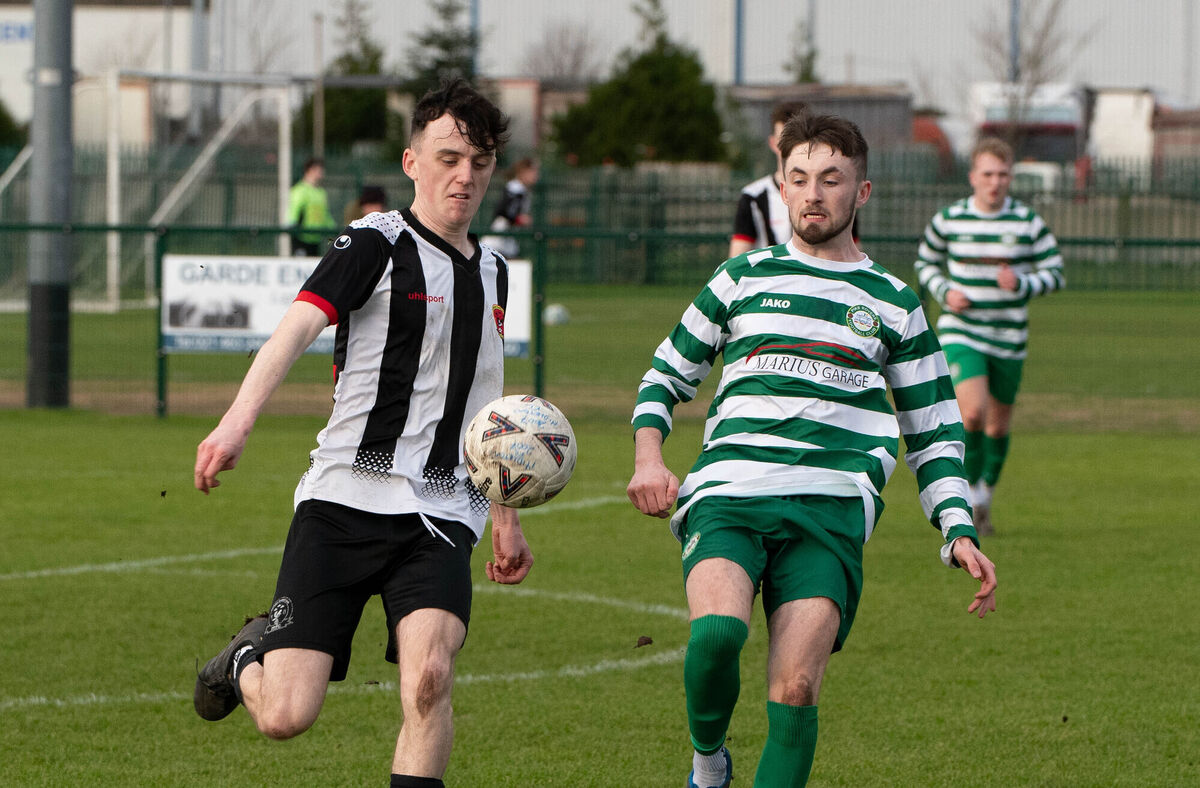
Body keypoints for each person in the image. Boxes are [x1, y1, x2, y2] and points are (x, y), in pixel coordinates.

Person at [627, 112, 997, 788]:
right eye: (798, 179)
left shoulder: (893, 302)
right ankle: (708, 763)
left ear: (862, 193)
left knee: (795, 689)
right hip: (729, 496)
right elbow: (663, 378)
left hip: (828, 514)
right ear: (780, 184)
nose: (813, 194)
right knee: (716, 638)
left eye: (831, 180)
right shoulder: (739, 278)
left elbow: (935, 429)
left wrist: (957, 526)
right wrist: (648, 456)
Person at [192, 80, 533, 788]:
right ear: (412, 162)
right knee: (286, 714)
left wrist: (504, 513)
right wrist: (236, 422)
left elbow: (487, 402)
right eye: (448, 158)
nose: (464, 175)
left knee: (430, 679)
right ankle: (243, 661)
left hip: (442, 508)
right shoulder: (374, 243)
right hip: (344, 499)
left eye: (479, 160)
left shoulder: (496, 272)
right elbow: (298, 327)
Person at [913, 136, 1065, 535]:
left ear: (1011, 177)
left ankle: (984, 495)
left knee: (997, 425)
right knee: (973, 413)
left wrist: (1021, 283)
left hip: (1009, 339)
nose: (995, 182)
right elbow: (926, 261)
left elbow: (1056, 273)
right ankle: (968, 497)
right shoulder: (950, 219)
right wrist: (945, 291)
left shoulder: (1027, 222)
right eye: (987, 174)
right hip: (963, 331)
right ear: (972, 176)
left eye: (1002, 174)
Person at [729, 101, 810, 259]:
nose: (791, 147)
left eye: (798, 139)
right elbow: (737, 261)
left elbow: (849, 256)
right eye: (785, 140)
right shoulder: (752, 196)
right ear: (773, 143)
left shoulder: (832, 195)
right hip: (770, 282)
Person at [482, 156, 539, 258]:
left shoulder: (521, 190)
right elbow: (504, 211)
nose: (536, 176)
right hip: (500, 239)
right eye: (533, 172)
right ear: (523, 172)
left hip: (508, 238)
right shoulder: (515, 189)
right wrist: (519, 219)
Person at [287, 157, 334, 256]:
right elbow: (293, 211)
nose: (321, 173)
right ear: (310, 170)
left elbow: (325, 214)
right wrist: (292, 224)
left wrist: (333, 230)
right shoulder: (299, 190)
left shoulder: (321, 192)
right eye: (318, 170)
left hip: (316, 240)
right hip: (301, 239)